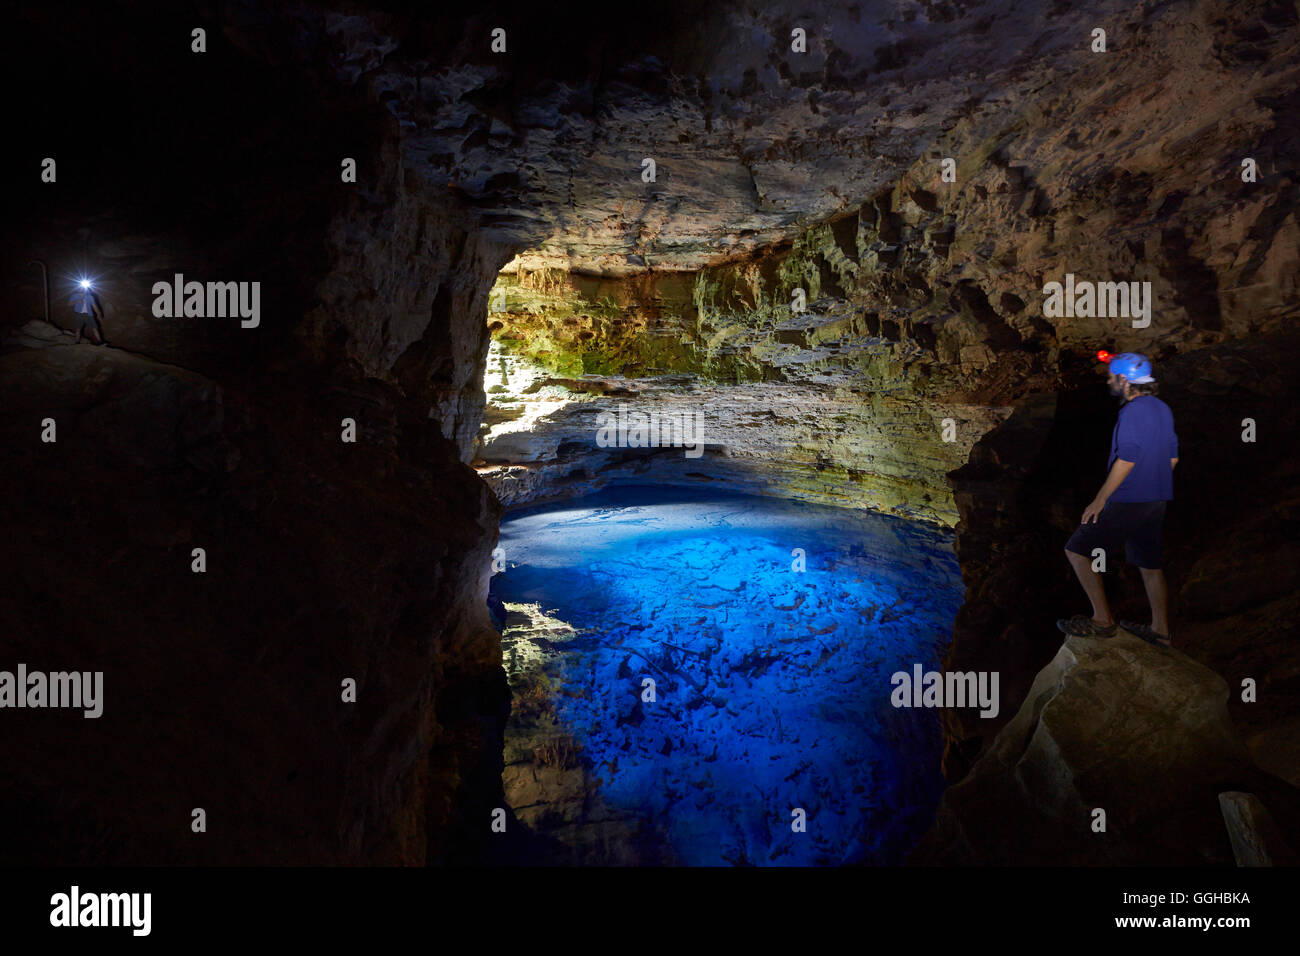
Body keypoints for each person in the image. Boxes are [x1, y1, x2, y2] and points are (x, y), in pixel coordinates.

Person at [1057, 352, 1178, 646]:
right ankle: (1161, 631)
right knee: (1149, 564)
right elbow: (1172, 457)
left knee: (1076, 550)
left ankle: (1102, 620)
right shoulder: (1161, 408)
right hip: (1157, 498)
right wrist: (1155, 483)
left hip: (1130, 497)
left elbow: (1127, 458)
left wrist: (1100, 500)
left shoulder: (1133, 412)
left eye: (1112, 377)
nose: (1109, 382)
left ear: (1124, 380)